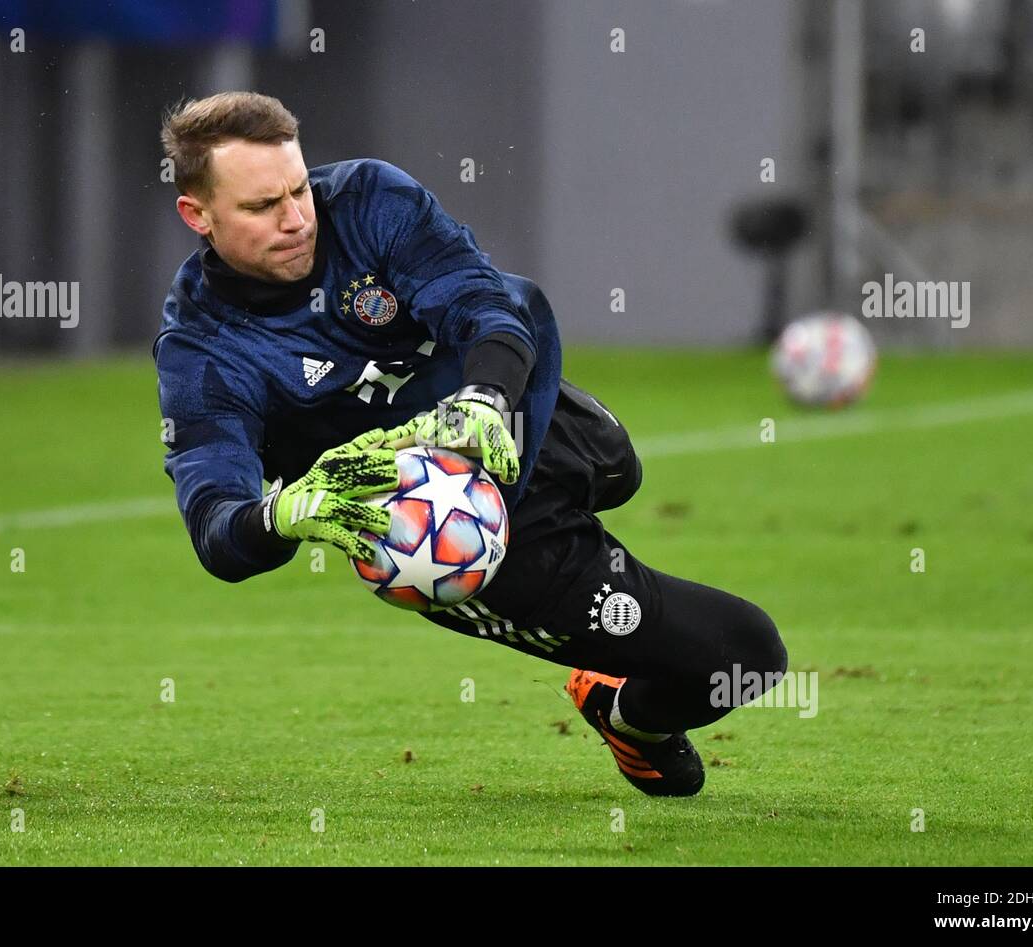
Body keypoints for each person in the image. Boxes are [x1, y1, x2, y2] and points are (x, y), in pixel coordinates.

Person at [154, 91, 787, 797]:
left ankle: (514, 445)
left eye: (299, 188)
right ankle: (629, 719)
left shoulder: (368, 199)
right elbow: (215, 526)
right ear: (197, 215)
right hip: (458, 536)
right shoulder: (202, 353)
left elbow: (485, 305)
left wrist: (484, 399)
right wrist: (283, 514)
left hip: (506, 414)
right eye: (262, 207)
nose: (297, 218)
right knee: (747, 656)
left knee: (615, 463)